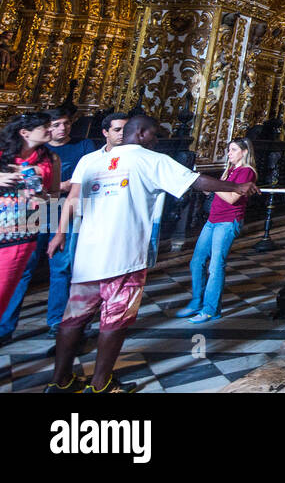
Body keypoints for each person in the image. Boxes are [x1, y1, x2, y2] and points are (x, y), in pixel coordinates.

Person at [45, 115, 258, 394]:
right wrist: (236, 187)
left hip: (87, 253)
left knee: (74, 318)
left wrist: (60, 232)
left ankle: (60, 382)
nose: (156, 141)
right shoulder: (149, 159)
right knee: (115, 320)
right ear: (142, 134)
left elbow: (72, 197)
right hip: (125, 255)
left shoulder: (90, 160)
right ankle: (100, 385)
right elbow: (196, 182)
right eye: (155, 135)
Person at [1, 112, 126, 345]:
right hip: (16, 217)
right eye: (54, 125)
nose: (59, 129)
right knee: (20, 271)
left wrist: (56, 194)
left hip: (61, 207)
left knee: (61, 267)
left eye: (65, 123)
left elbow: (61, 191)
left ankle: (56, 321)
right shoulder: (11, 151)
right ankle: (5, 326)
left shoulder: (78, 148)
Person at [178, 138, 258, 322]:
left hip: (228, 222)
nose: (229, 153)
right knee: (196, 261)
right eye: (229, 150)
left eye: (233, 150)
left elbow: (232, 198)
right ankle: (197, 301)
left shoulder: (247, 172)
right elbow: (221, 192)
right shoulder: (230, 171)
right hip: (213, 220)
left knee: (215, 265)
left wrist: (213, 185)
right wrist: (211, 188)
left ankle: (210, 309)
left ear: (244, 152)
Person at [0, 113, 58, 340]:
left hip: (21, 234)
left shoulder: (50, 159)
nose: (50, 130)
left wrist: (42, 195)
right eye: (45, 127)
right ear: (25, 133)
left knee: (4, 290)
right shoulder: (2, 153)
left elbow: (52, 196)